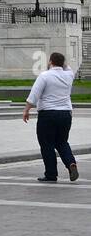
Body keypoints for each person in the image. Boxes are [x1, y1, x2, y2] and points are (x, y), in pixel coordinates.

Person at [23, 52, 79, 183]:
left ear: (50, 62)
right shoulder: (69, 75)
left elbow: (34, 95)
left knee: (47, 144)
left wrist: (26, 110)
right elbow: (67, 67)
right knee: (62, 142)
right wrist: (61, 62)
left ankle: (51, 174)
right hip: (65, 114)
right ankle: (71, 163)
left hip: (48, 114)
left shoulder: (45, 76)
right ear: (63, 63)